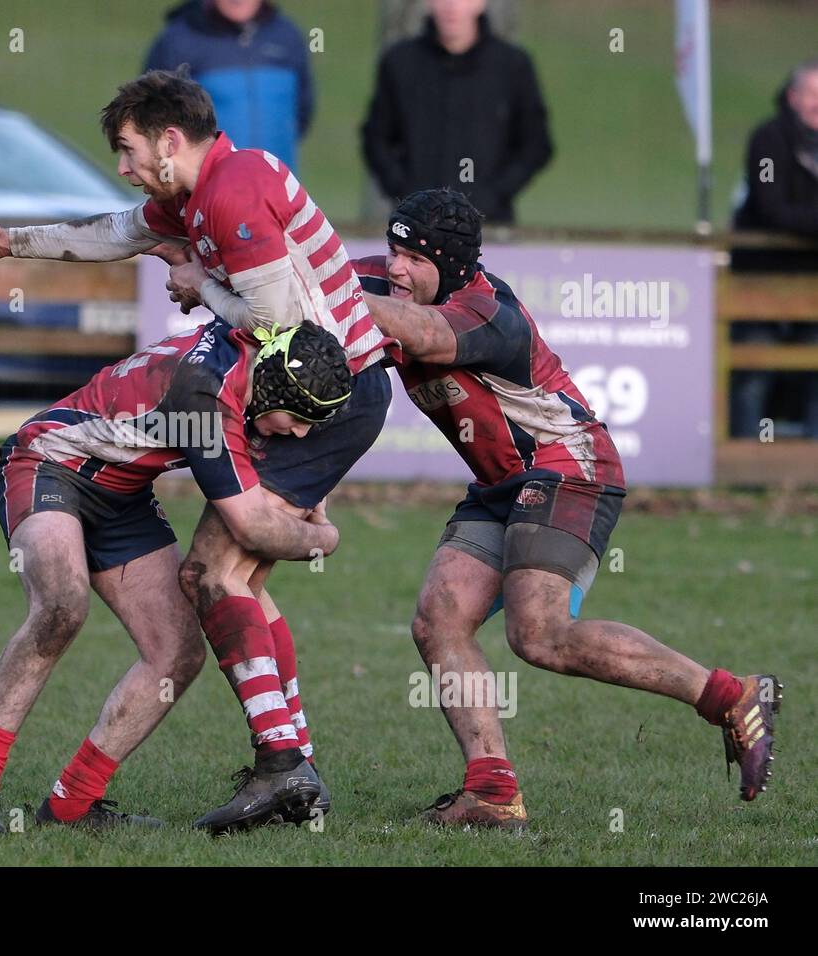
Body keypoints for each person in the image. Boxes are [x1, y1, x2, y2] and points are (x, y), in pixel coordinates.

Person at [0, 68, 395, 833]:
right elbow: (119, 232)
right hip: (52, 461)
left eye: (126, 149)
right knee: (80, 601)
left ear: (169, 141)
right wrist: (9, 241)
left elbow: (278, 322)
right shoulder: (207, 224)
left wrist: (195, 281)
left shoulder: (233, 193)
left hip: (301, 392)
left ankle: (84, 803)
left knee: (195, 617)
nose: (122, 165)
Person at [355, 187, 781, 829]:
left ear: (449, 264)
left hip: (569, 469)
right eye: (392, 250)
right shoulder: (391, 285)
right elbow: (306, 262)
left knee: (540, 635)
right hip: (501, 485)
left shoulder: (486, 312)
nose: (395, 268)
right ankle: (493, 791)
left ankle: (731, 695)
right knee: (437, 617)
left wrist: (334, 298)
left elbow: (422, 334)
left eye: (413, 257)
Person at [0, 319, 352, 832]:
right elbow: (253, 526)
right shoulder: (206, 394)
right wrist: (327, 539)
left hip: (124, 495)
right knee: (62, 607)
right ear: (271, 386)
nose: (299, 434)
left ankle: (72, 806)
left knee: (177, 651)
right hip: (50, 461)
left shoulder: (254, 356)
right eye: (295, 418)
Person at [360, 0, 551, 224]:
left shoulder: (512, 65)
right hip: (417, 225)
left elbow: (536, 144)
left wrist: (493, 194)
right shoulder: (399, 62)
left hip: (488, 225)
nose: (451, 6)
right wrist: (404, 191)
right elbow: (376, 137)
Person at [730, 59, 818, 439]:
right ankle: (746, 468)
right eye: (813, 94)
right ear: (793, 96)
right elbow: (771, 208)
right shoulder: (768, 139)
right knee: (754, 374)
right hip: (760, 282)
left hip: (812, 285)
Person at [145, 0, 313, 171]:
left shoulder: (288, 36)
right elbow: (154, 119)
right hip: (208, 189)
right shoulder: (178, 40)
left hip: (277, 188)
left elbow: (302, 111)